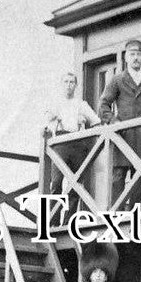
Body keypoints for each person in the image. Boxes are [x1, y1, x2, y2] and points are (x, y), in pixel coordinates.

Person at [99, 40, 141, 210]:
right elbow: (103, 105)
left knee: (139, 178)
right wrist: (114, 122)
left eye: (139, 54)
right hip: (123, 137)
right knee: (118, 177)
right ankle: (116, 215)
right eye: (132, 54)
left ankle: (135, 216)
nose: (136, 58)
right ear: (126, 57)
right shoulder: (118, 80)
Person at [44, 71, 100, 218]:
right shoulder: (56, 102)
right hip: (60, 142)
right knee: (56, 182)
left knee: (75, 184)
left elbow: (96, 121)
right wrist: (54, 117)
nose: (69, 85)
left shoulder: (80, 104)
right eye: (66, 82)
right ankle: (53, 219)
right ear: (61, 84)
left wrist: (85, 123)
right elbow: (47, 120)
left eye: (72, 82)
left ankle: (68, 220)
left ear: (76, 85)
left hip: (76, 143)